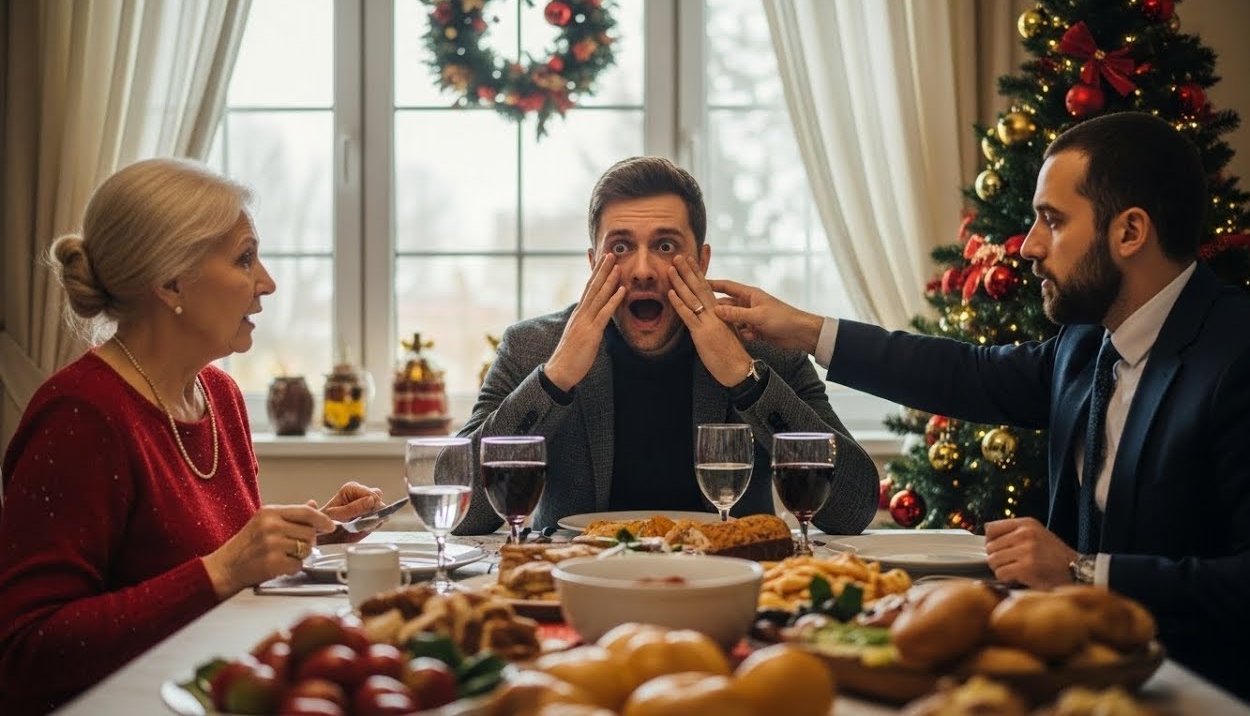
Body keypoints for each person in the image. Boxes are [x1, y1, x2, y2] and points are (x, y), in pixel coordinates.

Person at [707, 112, 1250, 711]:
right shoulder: (1086, 346)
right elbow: (965, 373)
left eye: (1052, 221)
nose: (1029, 246)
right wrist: (805, 330)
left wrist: (1083, 573)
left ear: (1130, 232)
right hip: (1076, 688)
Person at [0, 159, 387, 713]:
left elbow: (206, 565)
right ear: (170, 281)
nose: (267, 283)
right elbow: (26, 652)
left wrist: (313, 534)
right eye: (244, 258)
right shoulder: (80, 415)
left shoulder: (219, 396)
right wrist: (225, 568)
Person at [454, 156, 879, 537]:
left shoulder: (764, 351)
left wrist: (744, 379)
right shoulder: (535, 347)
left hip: (723, 592)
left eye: (665, 246)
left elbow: (853, 508)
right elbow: (462, 513)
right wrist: (555, 379)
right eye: (620, 247)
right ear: (592, 262)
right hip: (578, 588)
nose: (642, 270)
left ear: (702, 261)